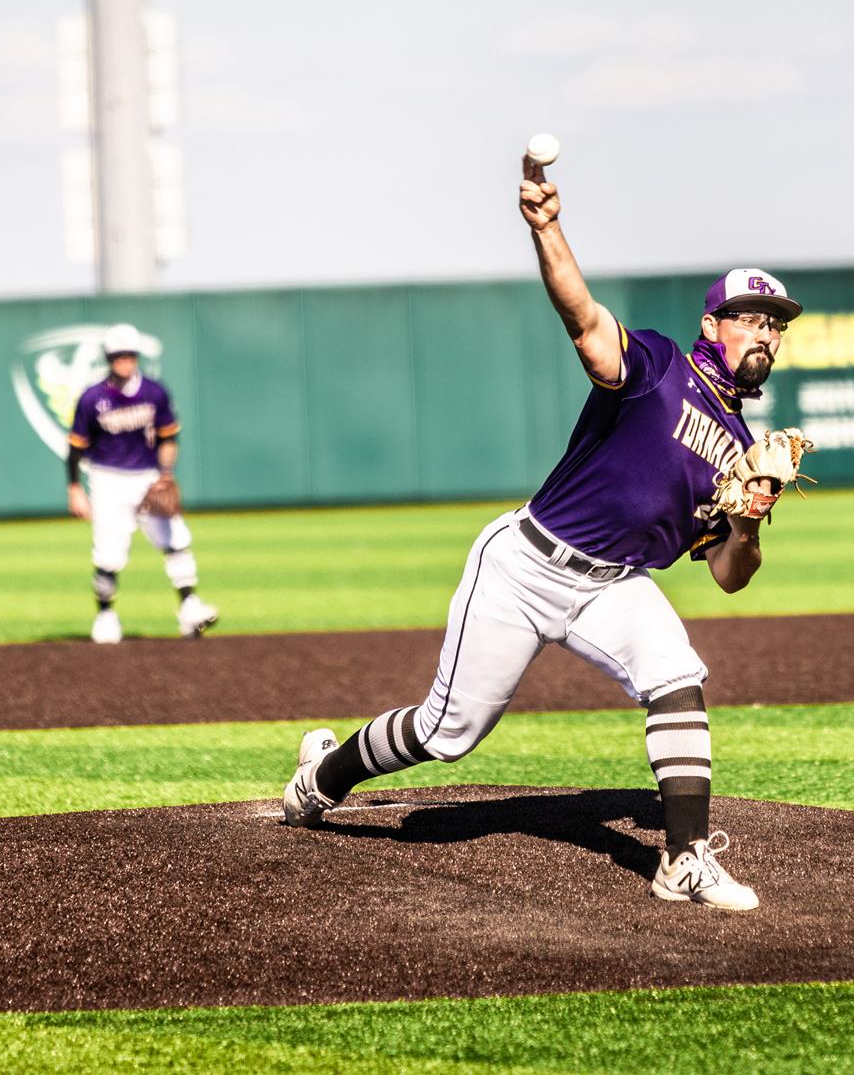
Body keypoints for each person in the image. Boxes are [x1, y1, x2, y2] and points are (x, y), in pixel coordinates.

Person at [280, 154, 811, 912]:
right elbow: (587, 323)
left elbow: (729, 573)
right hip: (525, 565)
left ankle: (684, 859)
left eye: (775, 324)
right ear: (711, 325)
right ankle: (322, 777)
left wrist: (750, 522)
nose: (766, 333)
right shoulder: (661, 366)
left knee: (677, 673)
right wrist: (548, 228)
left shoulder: (742, 452)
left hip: (614, 584)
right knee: (446, 732)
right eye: (751, 318)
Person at [63, 323, 219, 643]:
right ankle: (106, 616)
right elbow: (75, 449)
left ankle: (189, 608)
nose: (125, 360)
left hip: (147, 478)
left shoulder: (154, 392)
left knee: (176, 539)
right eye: (118, 355)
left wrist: (166, 475)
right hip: (107, 479)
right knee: (108, 556)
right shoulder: (92, 398)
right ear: (109, 358)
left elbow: (168, 437)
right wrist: (75, 488)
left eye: (129, 355)